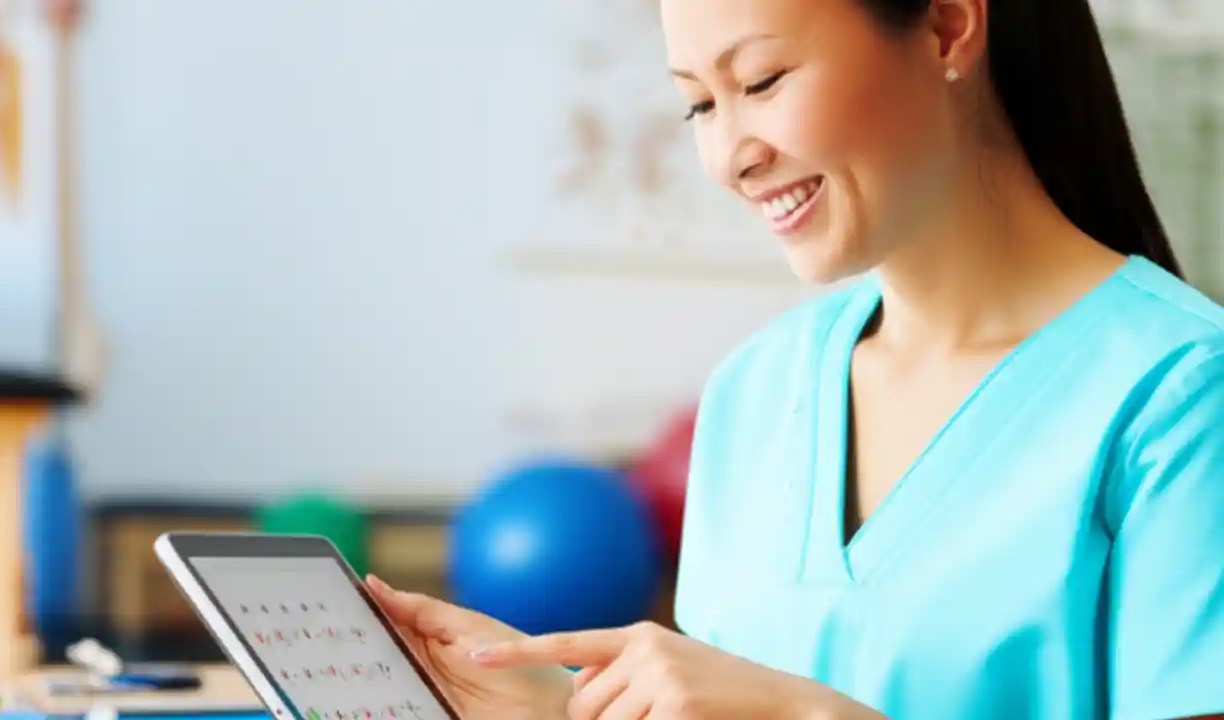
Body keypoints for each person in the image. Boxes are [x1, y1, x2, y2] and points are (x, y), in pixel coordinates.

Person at [366, 0, 1224, 717]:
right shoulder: (756, 387)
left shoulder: (1181, 394)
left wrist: (806, 713)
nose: (729, 156)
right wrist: (550, 705)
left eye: (761, 82)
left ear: (948, 28)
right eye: (698, 104)